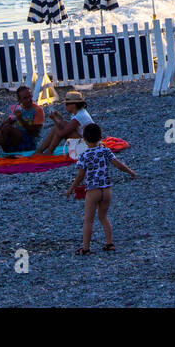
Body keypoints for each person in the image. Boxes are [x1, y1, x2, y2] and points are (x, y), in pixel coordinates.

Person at [66, 122, 136, 254]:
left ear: (85, 140)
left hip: (93, 190)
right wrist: (131, 172)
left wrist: (71, 189)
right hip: (106, 189)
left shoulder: (84, 156)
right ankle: (110, 243)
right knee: (103, 216)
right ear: (100, 138)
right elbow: (118, 164)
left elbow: (80, 176)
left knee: (88, 220)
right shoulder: (105, 151)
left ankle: (86, 248)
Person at [33, 90, 93, 157]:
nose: (65, 106)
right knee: (61, 126)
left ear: (74, 105)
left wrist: (54, 120)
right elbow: (67, 125)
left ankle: (48, 151)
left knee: (58, 128)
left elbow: (61, 133)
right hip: (86, 141)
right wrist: (59, 117)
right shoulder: (79, 112)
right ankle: (41, 150)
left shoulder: (79, 116)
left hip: (87, 144)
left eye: (67, 104)